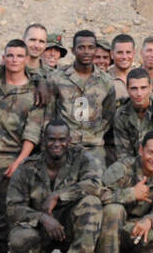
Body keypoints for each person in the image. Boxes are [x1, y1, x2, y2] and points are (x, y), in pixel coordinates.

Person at [6, 120, 104, 253]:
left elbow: (94, 185)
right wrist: (42, 218)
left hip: (70, 225)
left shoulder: (81, 158)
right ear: (43, 141)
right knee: (19, 237)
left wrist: (59, 196)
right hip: (40, 228)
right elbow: (13, 208)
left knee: (92, 204)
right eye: (51, 139)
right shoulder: (28, 167)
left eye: (62, 140)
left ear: (69, 140)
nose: (56, 144)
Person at [0, 38, 52, 253]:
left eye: (19, 56)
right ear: (3, 58)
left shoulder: (34, 92)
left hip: (15, 158)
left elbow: (33, 131)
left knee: (10, 212)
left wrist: (20, 160)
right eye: (9, 55)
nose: (14, 60)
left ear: (26, 60)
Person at [48, 30, 118, 172]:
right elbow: (49, 113)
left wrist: (94, 133)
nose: (86, 52)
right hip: (63, 148)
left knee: (94, 189)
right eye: (81, 47)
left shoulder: (106, 82)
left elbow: (108, 115)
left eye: (90, 47)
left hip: (94, 149)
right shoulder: (57, 78)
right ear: (73, 50)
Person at [109, 34, 137, 101]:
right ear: (112, 54)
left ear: (133, 53)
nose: (124, 57)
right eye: (120, 52)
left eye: (128, 52)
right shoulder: (104, 80)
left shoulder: (142, 78)